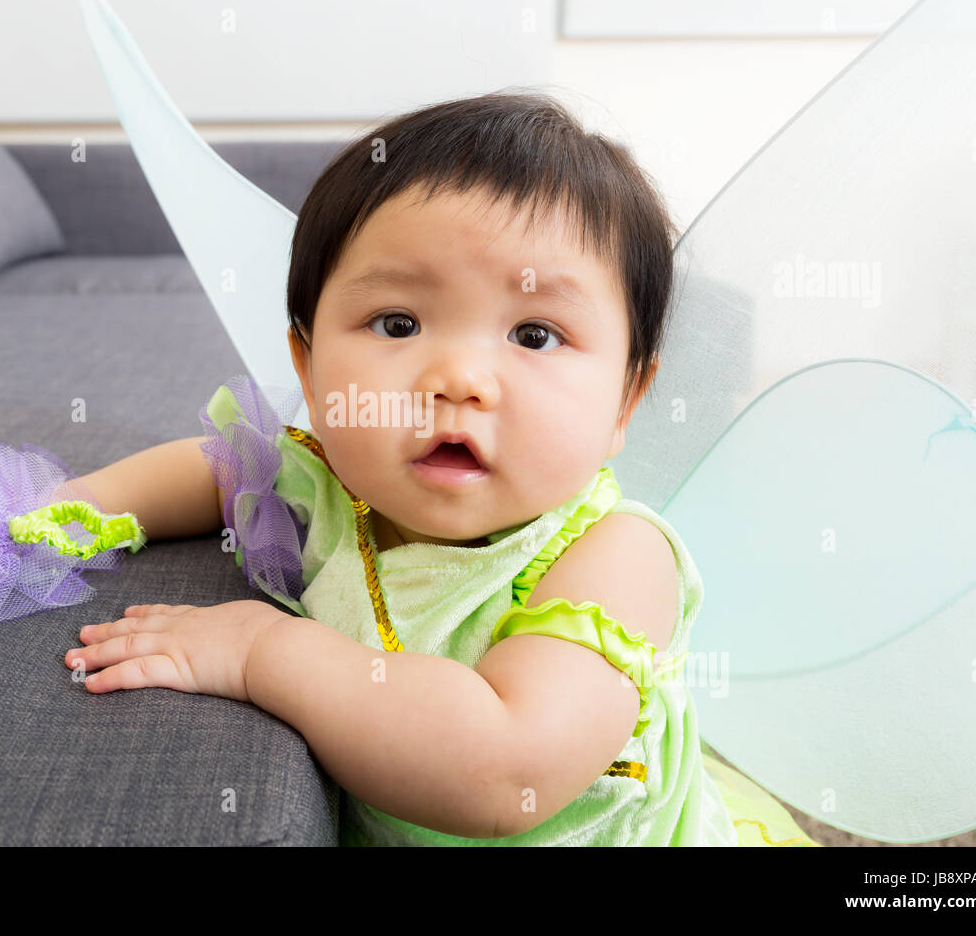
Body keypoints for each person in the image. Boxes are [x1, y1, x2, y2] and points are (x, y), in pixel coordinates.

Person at [63, 90, 819, 846]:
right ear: (311, 369)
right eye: (398, 323)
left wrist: (264, 651)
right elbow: (214, 472)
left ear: (625, 399)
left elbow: (507, 770)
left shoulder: (615, 561)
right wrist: (75, 507)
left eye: (534, 333)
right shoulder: (332, 481)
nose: (460, 379)